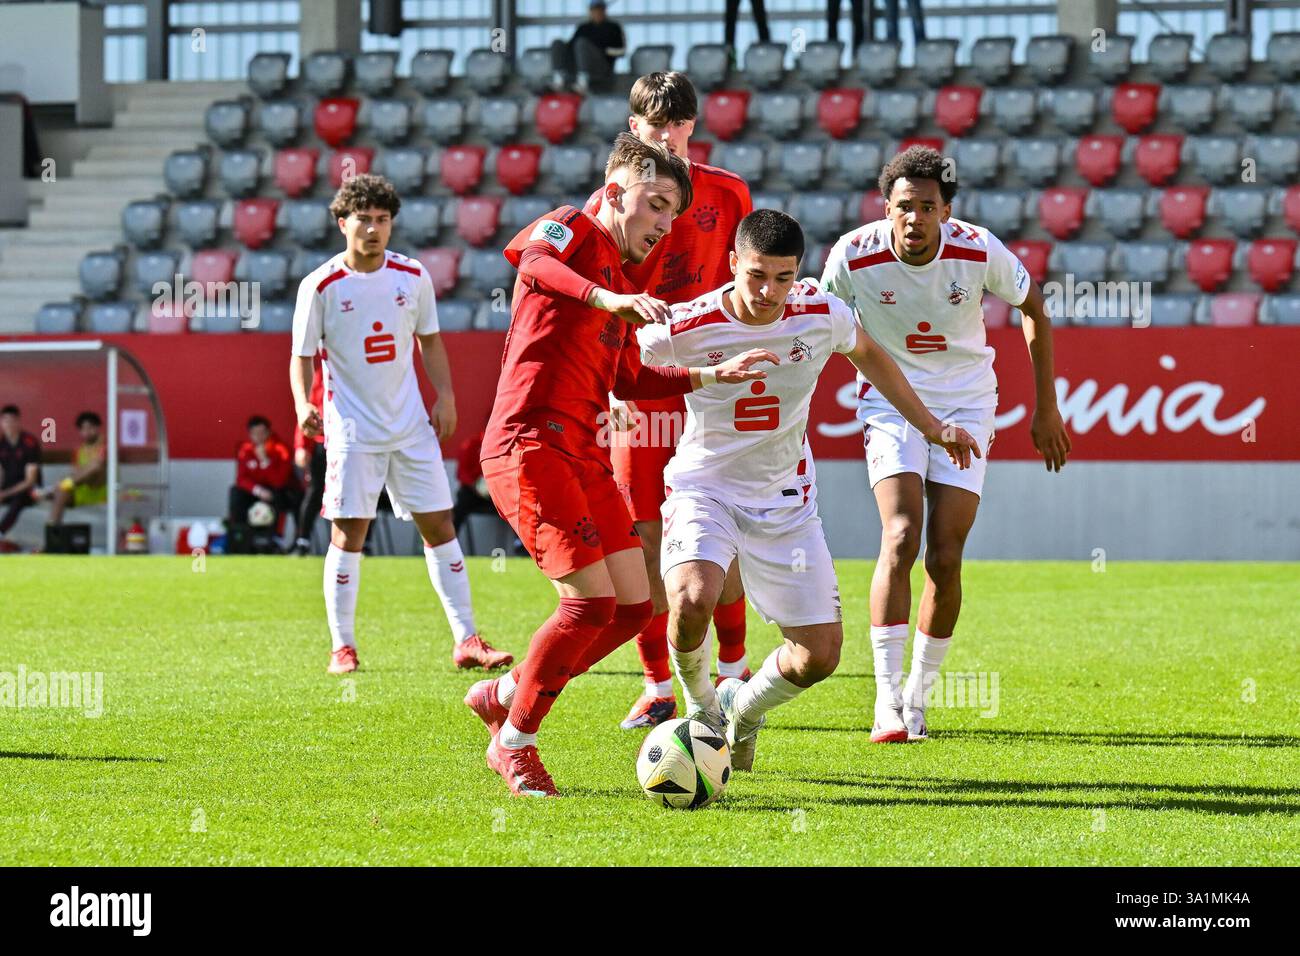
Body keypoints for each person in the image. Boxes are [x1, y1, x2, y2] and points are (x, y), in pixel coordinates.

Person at [463, 133, 775, 797]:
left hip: (582, 449)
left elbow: (630, 377)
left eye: (671, 216)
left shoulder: (630, 280)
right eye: (655, 205)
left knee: (634, 607)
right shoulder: (572, 230)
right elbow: (535, 262)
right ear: (613, 193)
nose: (662, 225)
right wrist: (607, 299)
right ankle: (514, 744)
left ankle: (507, 694)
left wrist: (710, 373)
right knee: (587, 605)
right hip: (529, 442)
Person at [644, 209, 978, 770]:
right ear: (732, 266)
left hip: (786, 503)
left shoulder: (820, 313)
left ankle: (742, 711)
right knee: (691, 598)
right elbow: (626, 364)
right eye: (756, 276)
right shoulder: (688, 325)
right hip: (705, 489)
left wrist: (929, 426)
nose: (769, 292)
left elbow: (874, 357)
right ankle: (702, 711)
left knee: (819, 655)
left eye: (783, 277)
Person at [821, 146, 1070, 743]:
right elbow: (812, 317)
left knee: (946, 554)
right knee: (901, 534)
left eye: (927, 207)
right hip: (890, 401)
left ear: (947, 212)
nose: (914, 218)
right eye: (904, 206)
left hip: (967, 402)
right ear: (887, 208)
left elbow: (1033, 304)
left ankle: (918, 698)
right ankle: (885, 700)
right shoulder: (853, 255)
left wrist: (1047, 406)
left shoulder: (978, 247)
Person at [584, 71, 756, 731]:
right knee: (644, 536)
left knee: (720, 529)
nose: (669, 143)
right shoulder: (617, 199)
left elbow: (751, 279)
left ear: (693, 129)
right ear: (634, 131)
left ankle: (736, 672)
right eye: (656, 131)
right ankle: (659, 684)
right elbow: (602, 289)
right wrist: (613, 382)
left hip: (714, 379)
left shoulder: (729, 191)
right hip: (644, 372)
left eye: (679, 132)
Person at [290, 173, 511, 675]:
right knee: (349, 535)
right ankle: (342, 647)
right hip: (352, 432)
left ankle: (467, 640)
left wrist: (447, 395)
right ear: (342, 223)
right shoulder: (320, 285)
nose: (373, 229)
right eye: (363, 220)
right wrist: (303, 403)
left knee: (440, 527)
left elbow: (429, 341)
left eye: (382, 220)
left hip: (411, 427)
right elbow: (301, 356)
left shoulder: (412, 276)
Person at [228, 415, 301, 538]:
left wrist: (265, 461)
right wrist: (258, 490)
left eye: (262, 433)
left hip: (278, 492)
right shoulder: (245, 451)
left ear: (269, 432)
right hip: (257, 491)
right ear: (250, 434)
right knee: (236, 493)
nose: (259, 437)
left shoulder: (281, 450)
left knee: (279, 495)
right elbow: (241, 479)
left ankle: (274, 538)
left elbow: (279, 481)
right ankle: (239, 535)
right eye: (255, 433)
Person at [290, 355, 327, 556]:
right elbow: (308, 410)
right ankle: (302, 541)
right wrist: (301, 445)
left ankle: (363, 544)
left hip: (354, 441)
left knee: (360, 491)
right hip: (323, 442)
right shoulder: (321, 374)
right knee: (315, 492)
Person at [43, 411, 106, 526]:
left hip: (101, 490)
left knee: (95, 465)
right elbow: (76, 472)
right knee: (62, 491)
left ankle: (59, 486)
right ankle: (52, 530)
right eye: (83, 429)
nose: (86, 432)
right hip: (81, 491)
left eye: (90, 427)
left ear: (97, 428)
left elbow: (99, 468)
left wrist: (68, 480)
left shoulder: (106, 445)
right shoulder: (79, 451)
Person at [551, 1, 625, 93]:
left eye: (600, 10)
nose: (597, 13)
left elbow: (621, 51)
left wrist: (603, 51)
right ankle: (559, 80)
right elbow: (571, 47)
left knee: (581, 43)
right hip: (578, 65)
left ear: (604, 11)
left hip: (601, 67)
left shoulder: (613, 27)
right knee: (557, 43)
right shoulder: (583, 28)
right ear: (590, 11)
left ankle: (583, 81)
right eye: (594, 10)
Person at [0, 404, 41, 548]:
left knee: (19, 499)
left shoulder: (29, 443)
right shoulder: (1, 443)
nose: (8, 425)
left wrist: (5, 493)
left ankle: (1, 531)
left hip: (29, 490)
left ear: (18, 421)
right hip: (8, 487)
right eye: (5, 421)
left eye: (12, 420)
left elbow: (30, 480)